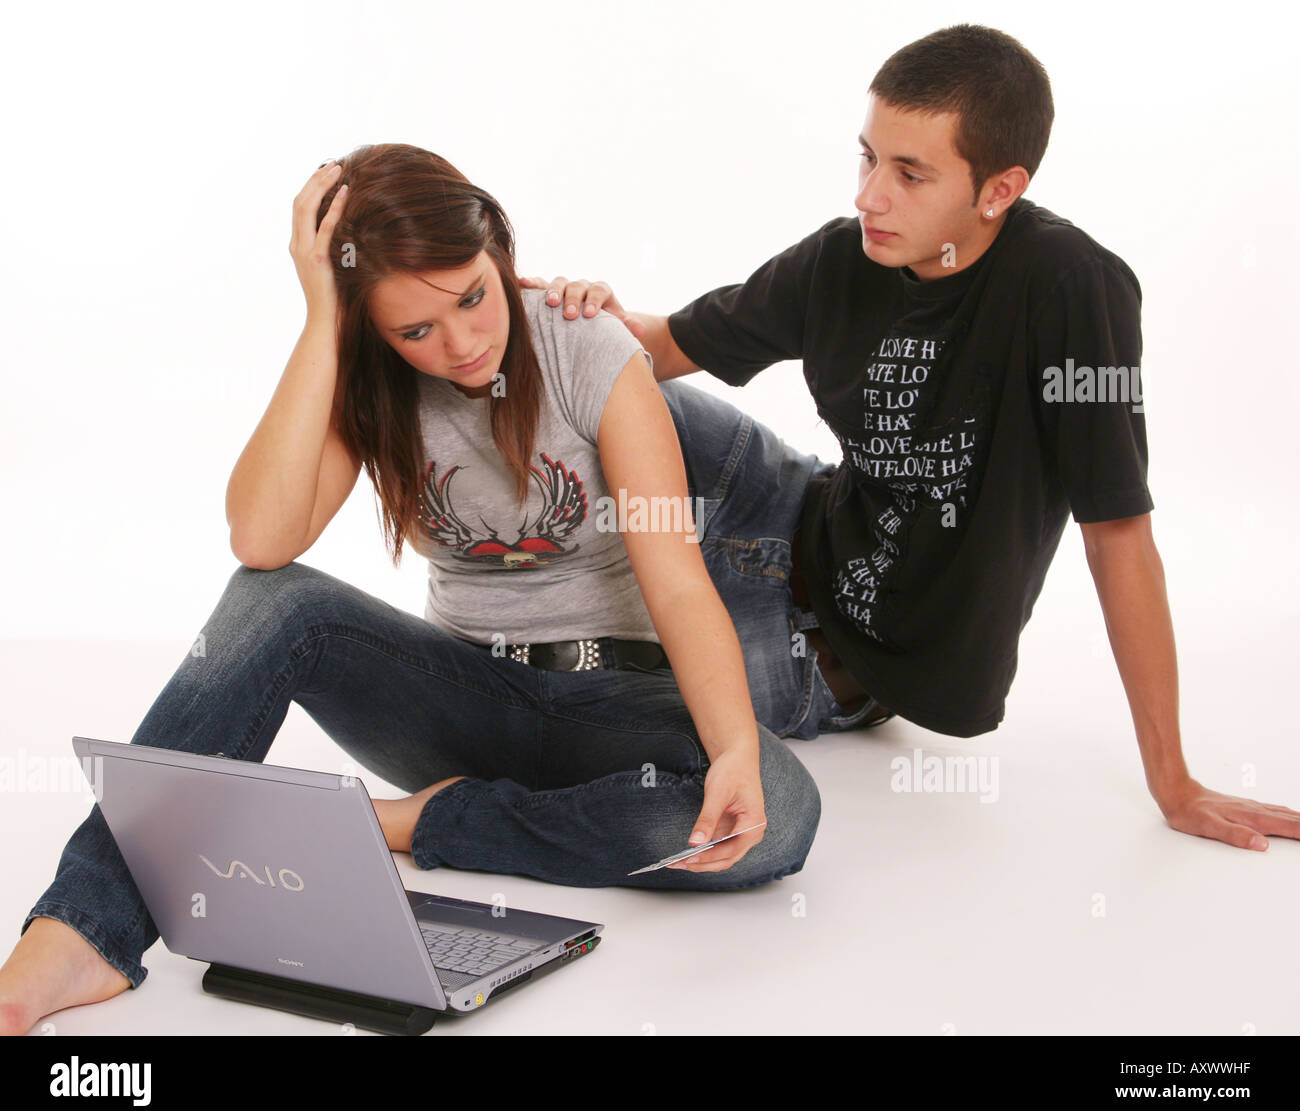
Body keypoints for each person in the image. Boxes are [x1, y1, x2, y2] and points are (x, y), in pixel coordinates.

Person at [0, 143, 821, 1036]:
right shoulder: (368, 377)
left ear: (497, 253)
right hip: (459, 698)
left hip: (609, 707)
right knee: (275, 601)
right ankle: (81, 927)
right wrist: (324, 321)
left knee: (775, 814)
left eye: (473, 297)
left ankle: (401, 826)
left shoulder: (588, 347)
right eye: (415, 331)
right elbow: (261, 537)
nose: (463, 345)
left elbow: (677, 579)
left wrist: (734, 751)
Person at [523, 23, 1300, 851]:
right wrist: (577, 315)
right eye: (868, 158)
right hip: (790, 511)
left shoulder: (1071, 289)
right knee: (602, 370)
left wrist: (1172, 781)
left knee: (563, 691)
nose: (869, 196)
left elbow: (1117, 534)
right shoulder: (843, 258)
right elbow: (663, 347)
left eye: (910, 173)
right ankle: (513, 563)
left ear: (999, 190)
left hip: (841, 660)